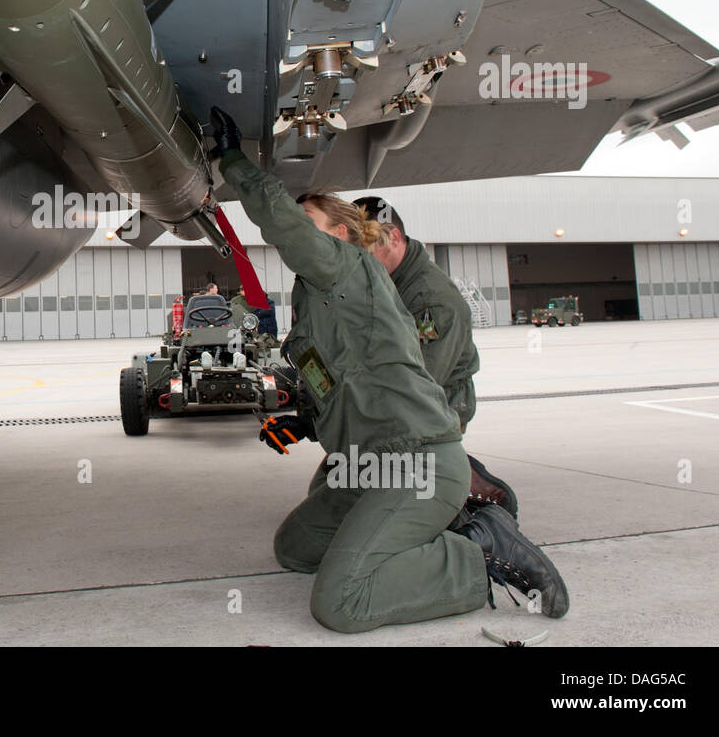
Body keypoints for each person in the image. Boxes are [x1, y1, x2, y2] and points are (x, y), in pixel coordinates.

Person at [207, 107, 568, 631]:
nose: (296, 233)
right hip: (366, 464)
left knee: (339, 604)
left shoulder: (346, 267)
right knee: (295, 548)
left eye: (311, 224)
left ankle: (476, 555)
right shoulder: (320, 298)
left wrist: (234, 163)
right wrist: (306, 420)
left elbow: (283, 224)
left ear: (343, 235)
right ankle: (390, 544)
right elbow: (342, 385)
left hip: (417, 461)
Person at [352, 196, 517, 517]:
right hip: (409, 398)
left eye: (368, 253)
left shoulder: (431, 300)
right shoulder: (391, 281)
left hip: (436, 404)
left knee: (408, 508)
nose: (363, 263)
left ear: (394, 239)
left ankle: (464, 485)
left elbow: (423, 382)